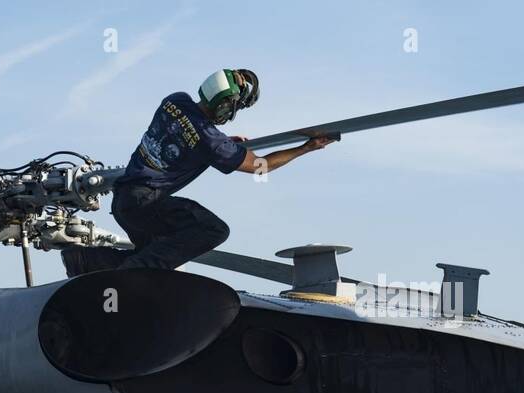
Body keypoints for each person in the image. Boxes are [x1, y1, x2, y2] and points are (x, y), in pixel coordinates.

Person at [62, 69, 334, 276]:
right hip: (148, 202)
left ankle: (86, 260)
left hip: (124, 202)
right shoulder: (211, 141)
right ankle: (131, 275)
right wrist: (306, 147)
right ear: (225, 107)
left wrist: (223, 142)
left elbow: (187, 135)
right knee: (213, 230)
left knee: (154, 258)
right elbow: (260, 165)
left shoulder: (175, 101)